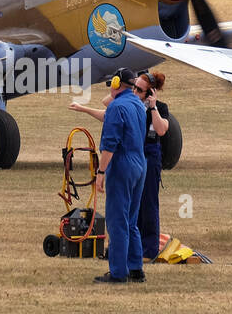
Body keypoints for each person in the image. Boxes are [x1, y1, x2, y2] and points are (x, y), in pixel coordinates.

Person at [70, 70, 171, 261]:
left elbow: (161, 129)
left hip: (147, 157)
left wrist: (153, 106)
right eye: (133, 87)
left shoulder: (156, 108)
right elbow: (108, 104)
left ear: (150, 93)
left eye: (139, 90)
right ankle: (129, 257)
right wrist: (125, 85)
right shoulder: (131, 104)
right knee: (128, 211)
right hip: (136, 156)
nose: (135, 92)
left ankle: (145, 250)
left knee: (145, 205)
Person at [90, 67, 146, 284]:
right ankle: (136, 268)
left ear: (115, 84)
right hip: (140, 164)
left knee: (117, 221)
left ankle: (118, 272)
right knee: (131, 220)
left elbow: (110, 145)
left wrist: (101, 171)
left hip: (122, 165)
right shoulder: (138, 105)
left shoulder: (116, 107)